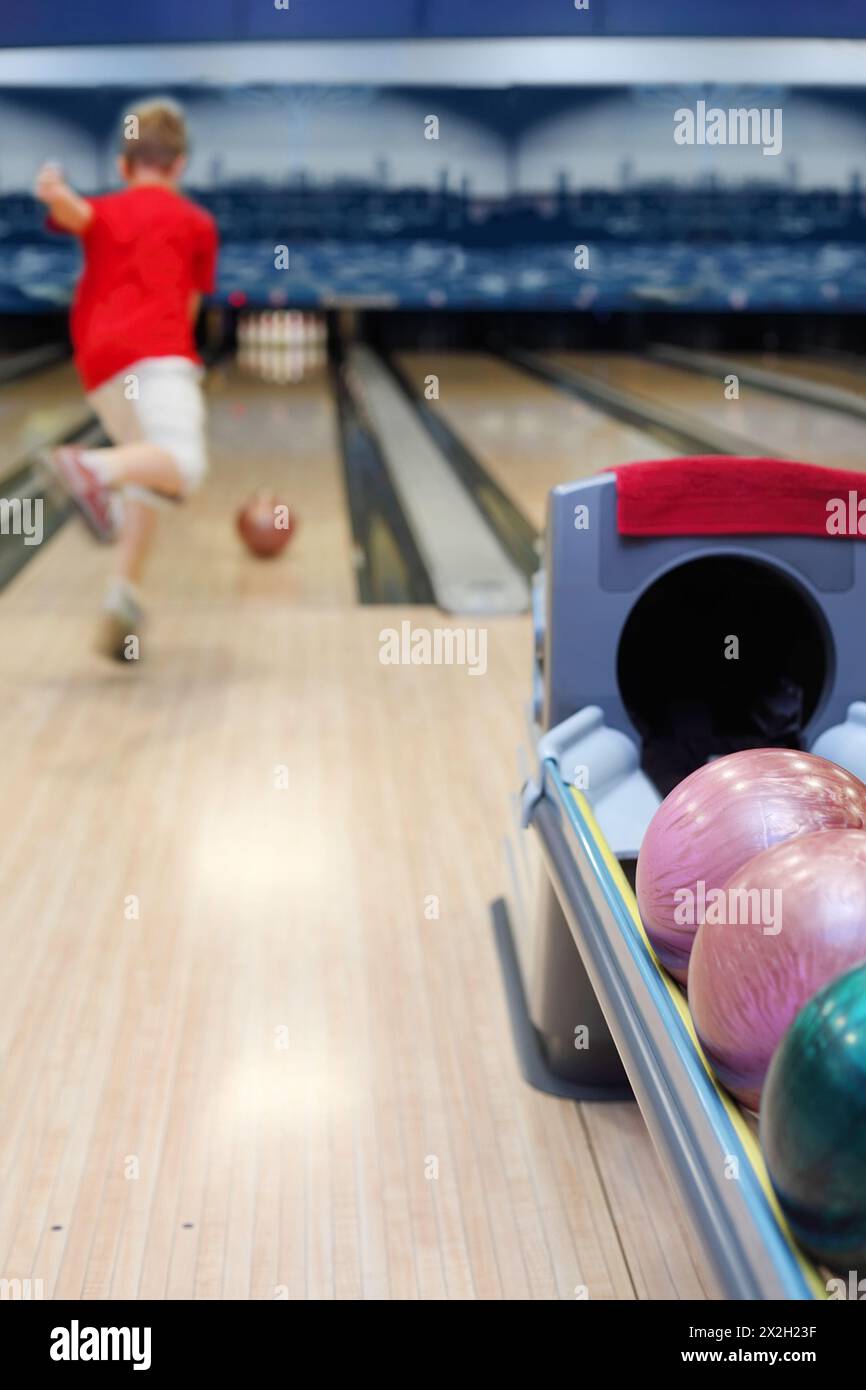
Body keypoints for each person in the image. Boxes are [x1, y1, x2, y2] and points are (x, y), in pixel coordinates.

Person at [34, 97, 219, 659]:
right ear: (180, 164)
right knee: (182, 465)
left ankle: (123, 596)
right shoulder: (197, 223)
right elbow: (189, 307)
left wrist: (54, 190)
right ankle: (87, 468)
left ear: (122, 165)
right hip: (157, 357)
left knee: (148, 478)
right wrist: (183, 364)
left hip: (100, 369)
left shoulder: (106, 209)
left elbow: (73, 212)